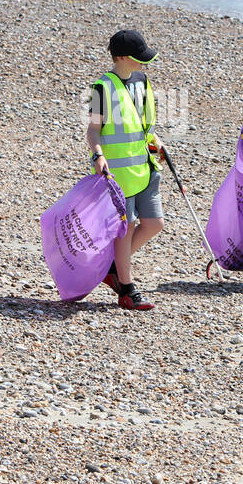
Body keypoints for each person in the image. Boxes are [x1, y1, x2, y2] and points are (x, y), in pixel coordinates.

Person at [87, 29, 165, 311]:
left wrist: (157, 142)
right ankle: (128, 290)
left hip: (145, 167)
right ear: (121, 57)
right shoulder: (102, 88)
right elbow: (93, 130)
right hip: (117, 173)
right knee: (127, 227)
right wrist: (98, 156)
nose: (144, 62)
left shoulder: (143, 81)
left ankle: (108, 267)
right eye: (138, 58)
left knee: (154, 225)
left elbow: (144, 125)